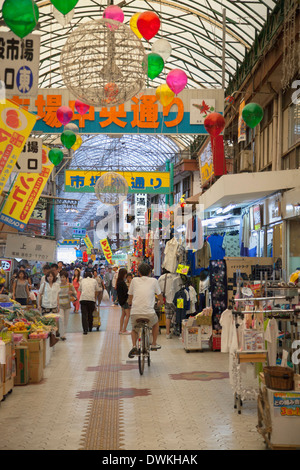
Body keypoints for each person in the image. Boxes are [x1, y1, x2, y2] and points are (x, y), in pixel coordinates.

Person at [127, 262, 163, 358]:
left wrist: (130, 303)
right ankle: (154, 344)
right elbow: (160, 297)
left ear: (138, 273)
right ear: (150, 272)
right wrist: (160, 302)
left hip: (135, 312)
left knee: (134, 329)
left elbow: (130, 296)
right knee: (155, 324)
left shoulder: (134, 280)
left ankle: (134, 346)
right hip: (149, 313)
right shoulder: (154, 281)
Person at [79, 270, 100, 335]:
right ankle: (90, 327)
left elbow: (80, 289)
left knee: (84, 315)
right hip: (91, 299)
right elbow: (97, 289)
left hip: (83, 299)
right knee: (90, 314)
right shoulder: (94, 280)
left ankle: (85, 330)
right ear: (91, 276)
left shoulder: (82, 280)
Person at [58, 270, 77, 341]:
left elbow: (75, 293)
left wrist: (72, 292)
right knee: (61, 319)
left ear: (66, 278)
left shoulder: (70, 285)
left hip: (67, 304)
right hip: (60, 305)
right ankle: (61, 334)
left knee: (66, 320)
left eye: (63, 277)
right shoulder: (57, 285)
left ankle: (63, 334)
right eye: (61, 277)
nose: (62, 279)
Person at [116, 268, 131, 335]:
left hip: (121, 301)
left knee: (123, 314)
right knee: (128, 315)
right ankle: (124, 330)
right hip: (125, 301)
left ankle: (120, 329)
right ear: (123, 274)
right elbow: (126, 292)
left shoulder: (118, 282)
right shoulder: (122, 282)